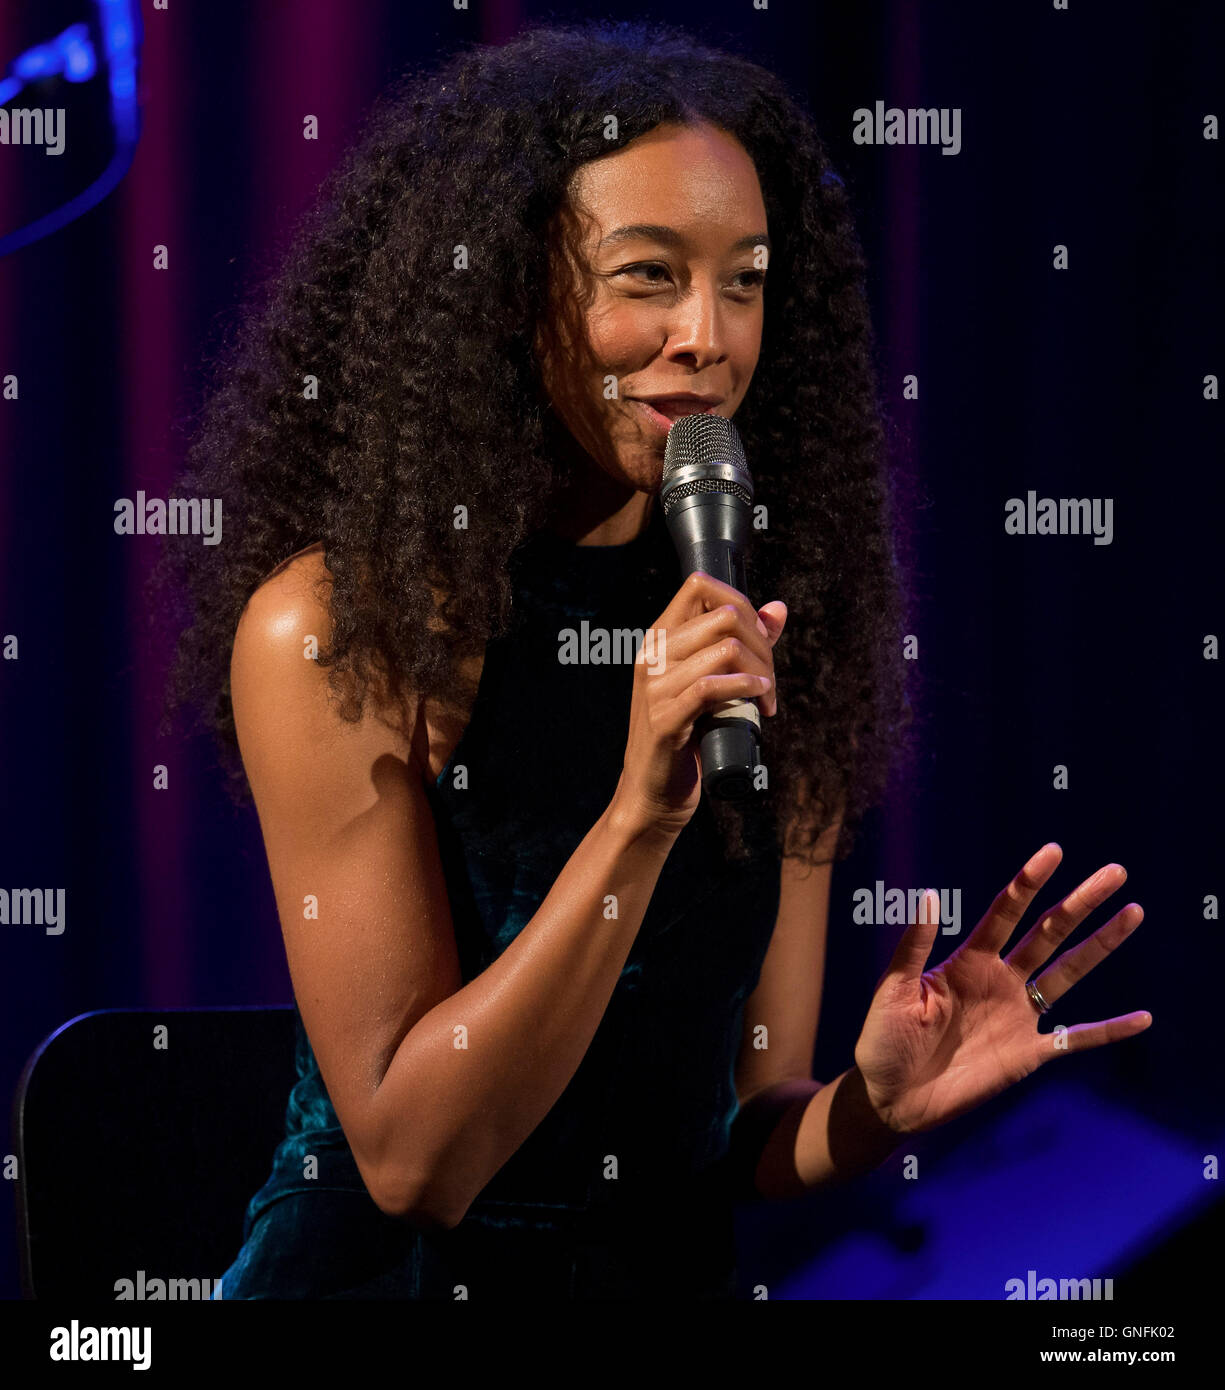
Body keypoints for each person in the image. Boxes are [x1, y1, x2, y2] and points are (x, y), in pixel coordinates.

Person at [155, 19, 1150, 1300]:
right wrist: (637, 814)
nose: (707, 335)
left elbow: (729, 1125)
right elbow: (413, 1162)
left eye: (744, 278)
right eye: (647, 276)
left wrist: (871, 1108)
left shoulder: (772, 613)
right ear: (516, 294)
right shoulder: (344, 628)